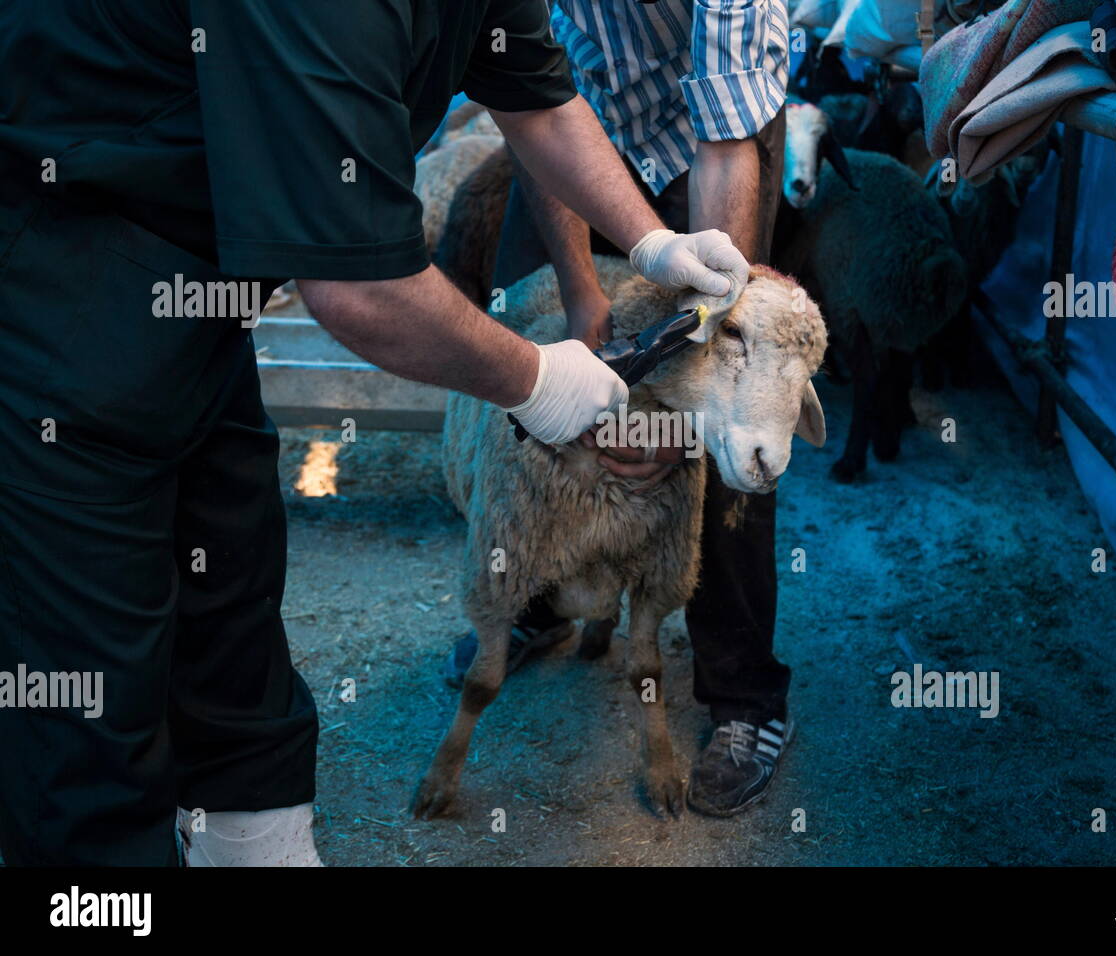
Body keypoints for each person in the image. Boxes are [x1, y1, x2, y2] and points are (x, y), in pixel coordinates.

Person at [0, 0, 748, 866]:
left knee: (230, 602)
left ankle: (261, 849)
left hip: (199, 296)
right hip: (50, 285)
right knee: (86, 695)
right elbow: (360, 289)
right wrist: (538, 381)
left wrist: (652, 239)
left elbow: (538, 98)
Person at [445, 0, 794, 817]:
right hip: (565, 121)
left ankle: (743, 697)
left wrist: (689, 391)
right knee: (532, 354)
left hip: (704, 137)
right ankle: (537, 604)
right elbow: (529, 96)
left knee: (730, 400)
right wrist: (579, 290)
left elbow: (725, 142)